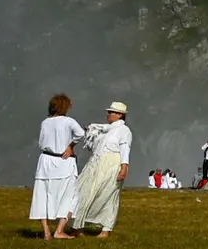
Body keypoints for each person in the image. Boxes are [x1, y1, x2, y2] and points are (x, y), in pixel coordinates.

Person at [29, 94, 83, 238]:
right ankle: (59, 230)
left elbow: (41, 142)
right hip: (63, 161)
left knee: (43, 195)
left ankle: (46, 231)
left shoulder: (45, 122)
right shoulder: (68, 121)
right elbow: (80, 134)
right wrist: (71, 145)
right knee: (71, 196)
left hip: (46, 161)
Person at [74, 101, 133, 236]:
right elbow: (93, 147)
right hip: (96, 163)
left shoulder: (124, 131)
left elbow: (125, 150)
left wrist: (124, 168)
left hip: (112, 163)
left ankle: (106, 228)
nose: (108, 114)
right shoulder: (105, 130)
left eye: (111, 112)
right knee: (84, 191)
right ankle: (78, 226)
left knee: (108, 194)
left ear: (119, 115)